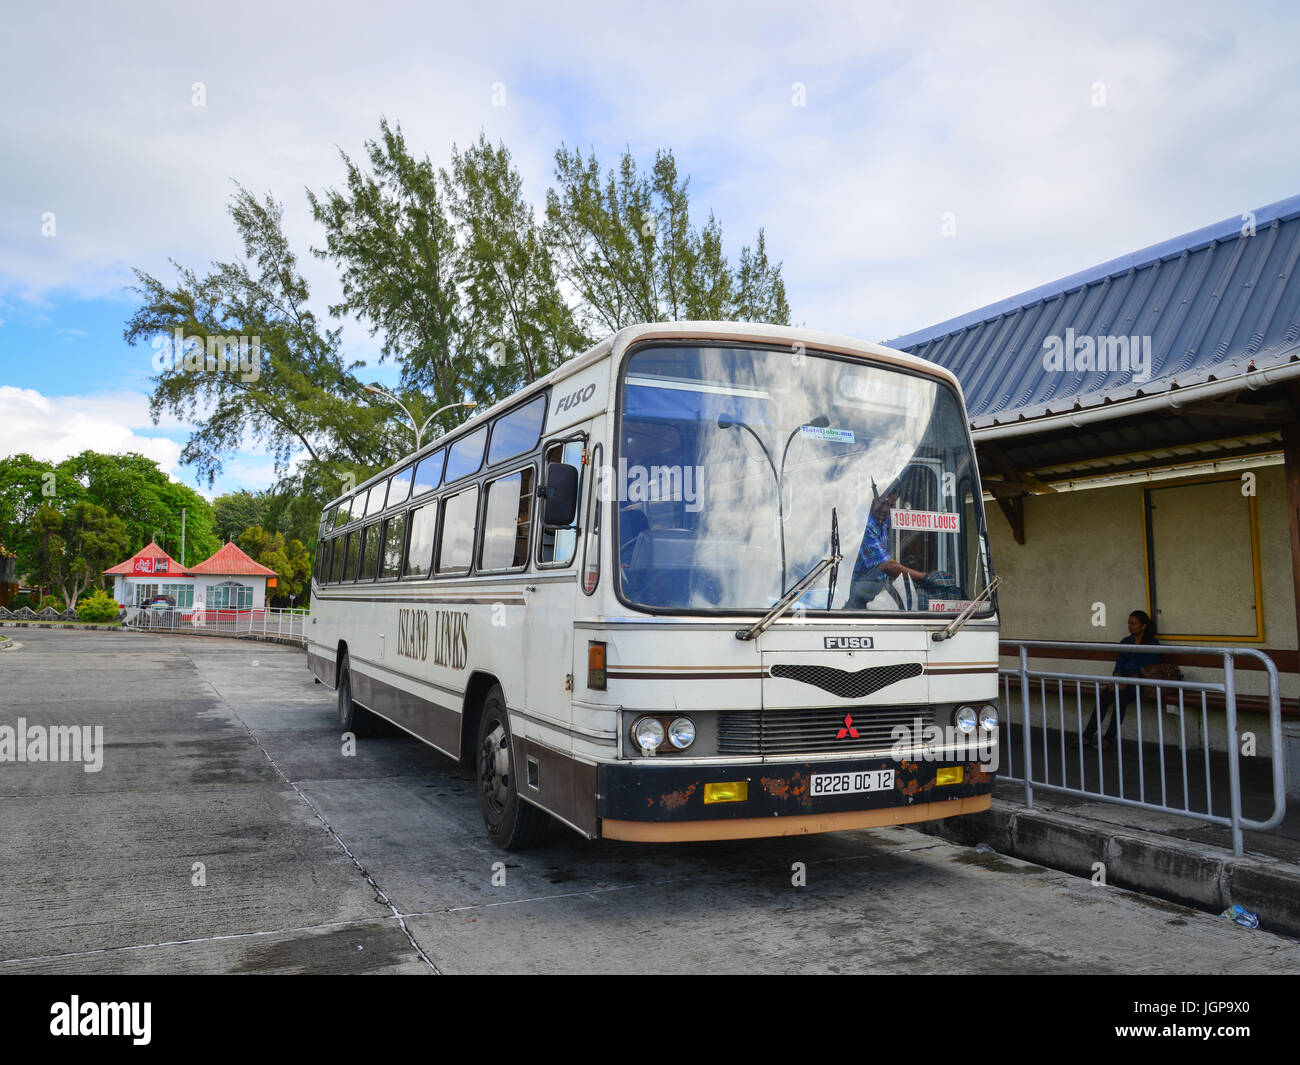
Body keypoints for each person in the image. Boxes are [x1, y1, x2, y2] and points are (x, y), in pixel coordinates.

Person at [1079, 610, 1160, 749]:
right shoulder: (1125, 642)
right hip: (1123, 679)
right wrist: (1115, 680)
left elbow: (1147, 670)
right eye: (1129, 623)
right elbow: (1119, 665)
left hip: (1141, 683)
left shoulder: (1152, 644)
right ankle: (1087, 736)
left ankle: (1108, 740)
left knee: (1121, 699)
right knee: (1105, 697)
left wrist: (1127, 682)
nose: (1130, 626)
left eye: (1134, 623)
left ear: (1143, 626)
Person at [844, 479, 930, 609]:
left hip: (872, 597)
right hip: (855, 600)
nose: (885, 509)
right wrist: (924, 577)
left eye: (890, 505)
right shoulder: (863, 527)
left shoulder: (883, 522)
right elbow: (886, 565)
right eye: (883, 502)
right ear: (871, 498)